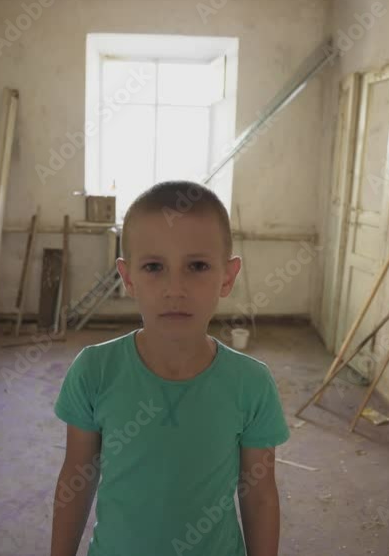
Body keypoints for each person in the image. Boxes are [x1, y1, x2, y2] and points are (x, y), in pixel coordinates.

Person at [50, 180, 290, 556]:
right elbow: (77, 480)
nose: (174, 288)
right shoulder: (95, 371)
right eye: (153, 267)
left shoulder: (251, 384)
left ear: (227, 277)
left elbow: (259, 495)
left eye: (196, 266)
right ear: (128, 277)